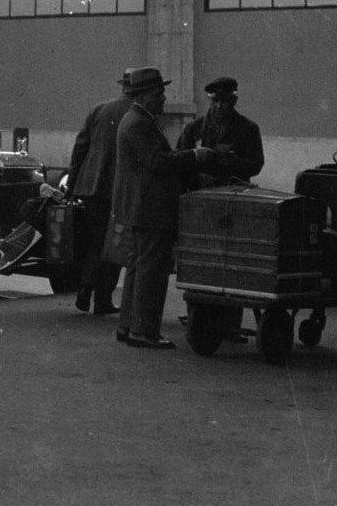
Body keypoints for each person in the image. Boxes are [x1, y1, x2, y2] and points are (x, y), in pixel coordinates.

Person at [110, 67, 216, 349]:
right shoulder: (140, 124)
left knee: (138, 267)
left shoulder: (134, 120)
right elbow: (158, 162)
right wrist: (195, 155)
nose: (164, 99)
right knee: (151, 272)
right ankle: (144, 331)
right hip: (151, 209)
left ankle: (129, 326)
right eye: (159, 94)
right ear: (144, 96)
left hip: (140, 207)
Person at [65, 69, 136, 315]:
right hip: (119, 188)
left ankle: (85, 288)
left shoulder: (99, 108)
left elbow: (80, 147)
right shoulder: (139, 113)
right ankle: (103, 299)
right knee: (115, 242)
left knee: (97, 241)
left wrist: (72, 184)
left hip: (90, 186)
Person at [175, 76, 265, 188]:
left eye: (225, 101)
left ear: (234, 101)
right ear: (209, 100)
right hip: (198, 191)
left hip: (233, 191)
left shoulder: (248, 128)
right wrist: (197, 177)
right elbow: (179, 161)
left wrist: (222, 160)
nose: (219, 106)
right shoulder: (193, 128)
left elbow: (255, 165)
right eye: (215, 100)